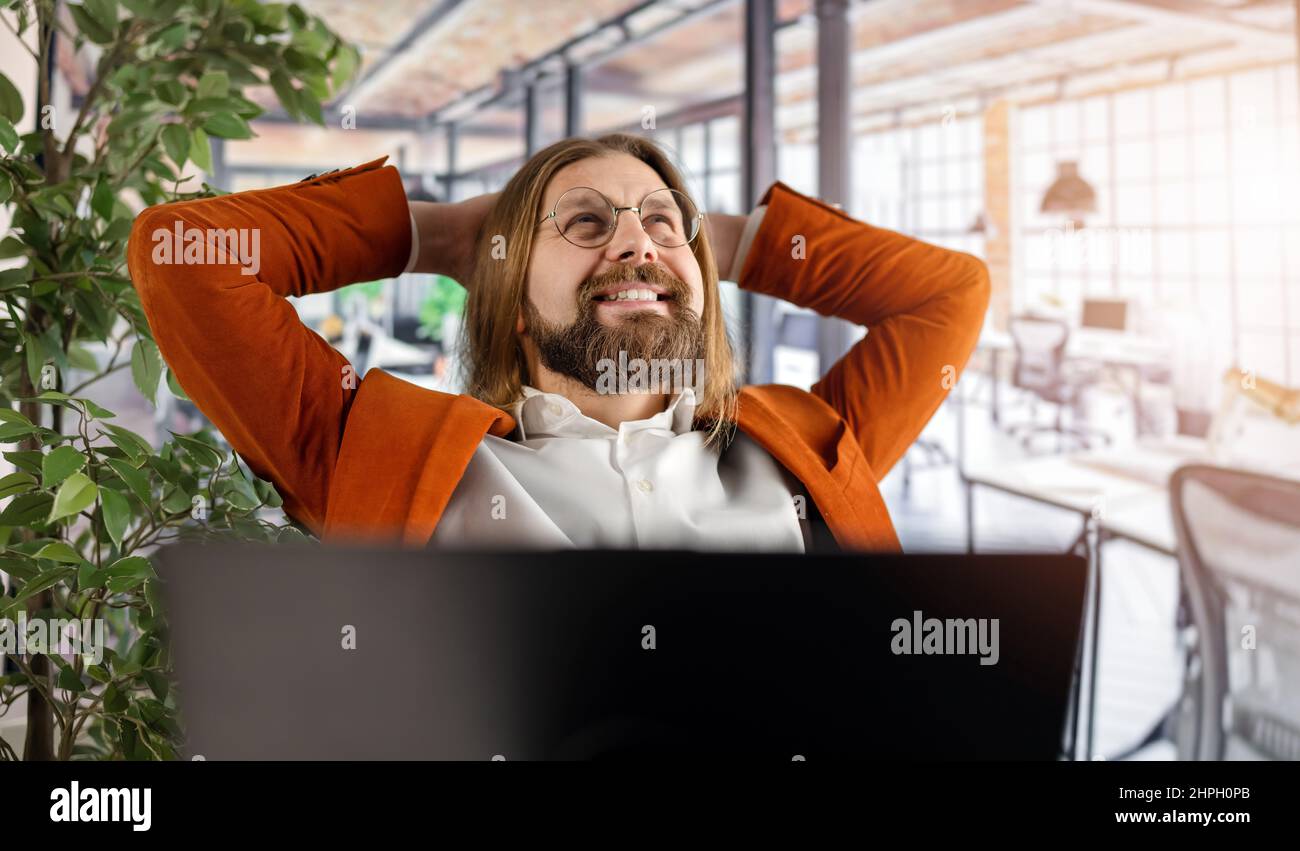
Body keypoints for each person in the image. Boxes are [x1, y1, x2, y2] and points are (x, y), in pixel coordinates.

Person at [126, 133, 989, 552]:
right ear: (512, 305)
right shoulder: (384, 460)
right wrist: (436, 237)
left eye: (661, 223)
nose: (637, 243)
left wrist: (711, 239)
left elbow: (950, 291)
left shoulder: (806, 450)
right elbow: (183, 256)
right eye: (583, 223)